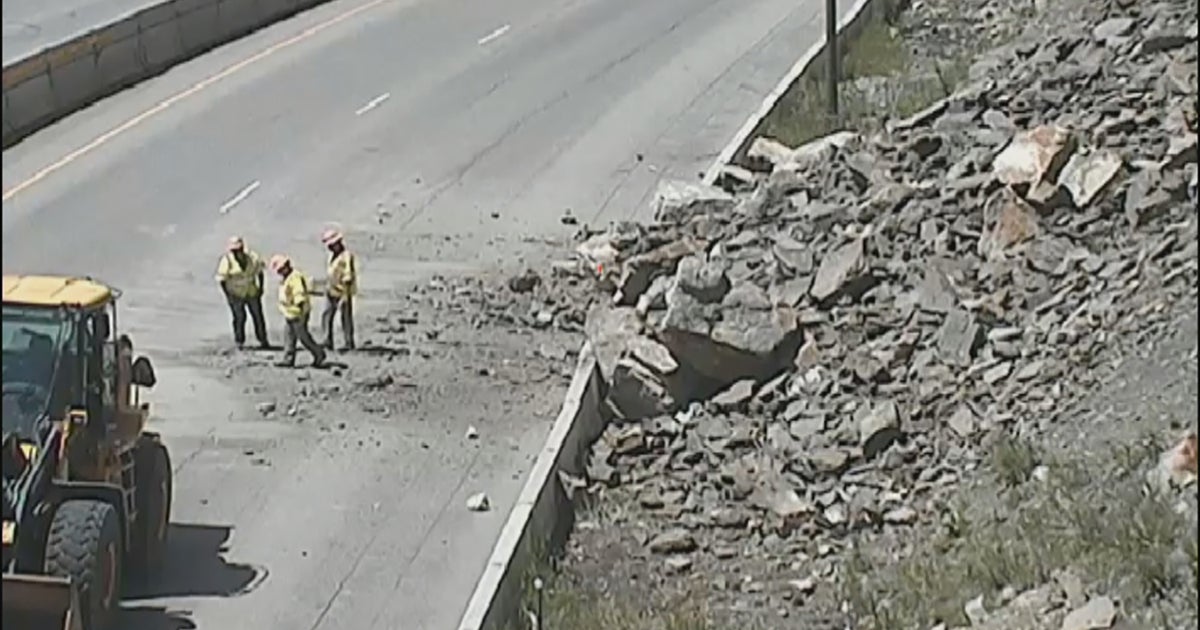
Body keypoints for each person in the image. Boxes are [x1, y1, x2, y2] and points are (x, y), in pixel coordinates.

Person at [268, 255, 326, 368]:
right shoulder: (287, 278)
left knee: (303, 337)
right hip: (290, 313)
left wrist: (300, 309)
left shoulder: (295, 278)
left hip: (298, 313)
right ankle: (288, 359)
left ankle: (318, 353)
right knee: (289, 336)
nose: (280, 273)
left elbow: (299, 294)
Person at [215, 236, 270, 349]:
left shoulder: (252, 257)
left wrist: (261, 288)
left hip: (251, 291)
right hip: (236, 293)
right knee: (239, 317)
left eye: (239, 250)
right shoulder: (227, 261)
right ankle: (239, 341)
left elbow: (260, 272)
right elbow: (222, 280)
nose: (237, 253)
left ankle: (263, 340)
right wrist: (229, 296)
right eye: (234, 251)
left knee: (258, 316)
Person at [319, 229, 358, 351]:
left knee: (345, 318)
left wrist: (345, 296)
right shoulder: (333, 256)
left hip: (342, 292)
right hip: (331, 290)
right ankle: (327, 340)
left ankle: (348, 342)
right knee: (326, 315)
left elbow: (348, 277)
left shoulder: (346, 257)